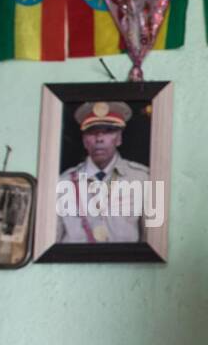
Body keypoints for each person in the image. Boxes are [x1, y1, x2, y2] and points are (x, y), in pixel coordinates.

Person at [57, 100, 149, 244]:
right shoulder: (63, 182)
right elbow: (51, 240)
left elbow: (151, 240)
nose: (99, 139)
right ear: (84, 141)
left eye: (108, 131)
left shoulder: (141, 178)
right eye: (92, 132)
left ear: (119, 138)